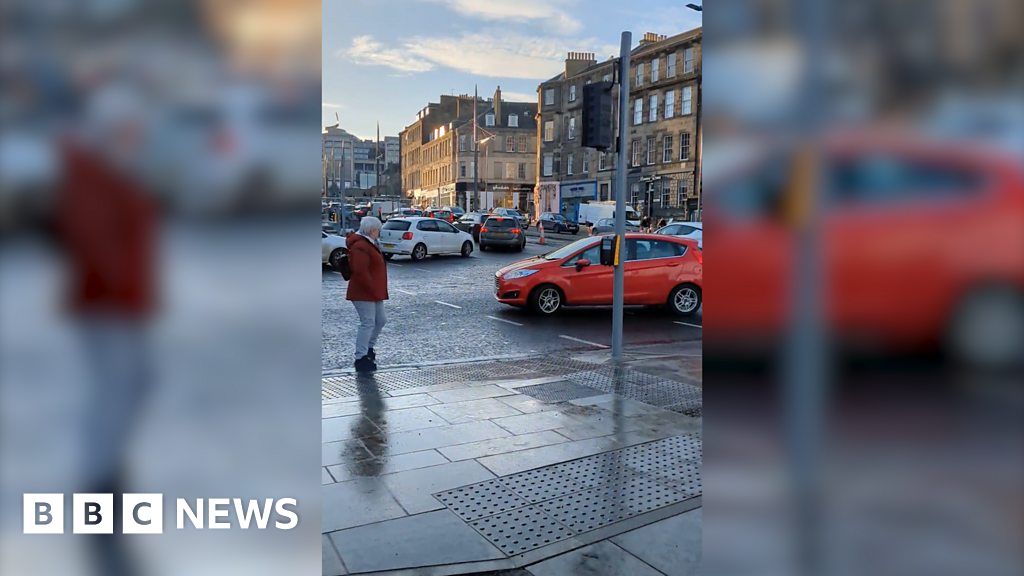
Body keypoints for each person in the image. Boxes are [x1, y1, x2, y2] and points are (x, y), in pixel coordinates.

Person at [346, 216, 388, 372]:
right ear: (372, 230)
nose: (379, 232)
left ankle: (368, 348)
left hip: (373, 291)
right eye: (378, 229)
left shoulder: (369, 243)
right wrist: (372, 287)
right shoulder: (361, 246)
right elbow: (360, 271)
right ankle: (361, 357)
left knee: (380, 320)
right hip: (364, 292)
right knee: (368, 323)